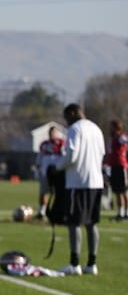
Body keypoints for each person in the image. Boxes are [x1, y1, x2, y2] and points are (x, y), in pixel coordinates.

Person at [57, 103, 105, 276]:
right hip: (96, 181)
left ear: (71, 113)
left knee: (74, 222)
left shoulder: (75, 129)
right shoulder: (96, 129)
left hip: (78, 182)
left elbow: (71, 154)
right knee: (92, 223)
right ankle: (92, 263)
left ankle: (74, 263)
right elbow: (102, 153)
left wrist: (58, 167)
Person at [36, 124, 65, 221]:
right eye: (50, 132)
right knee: (44, 191)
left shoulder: (61, 143)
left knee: (58, 191)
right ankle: (42, 211)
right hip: (45, 171)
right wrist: (38, 166)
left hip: (57, 171)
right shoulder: (44, 144)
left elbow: (64, 156)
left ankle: (58, 210)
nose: (52, 134)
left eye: (53, 132)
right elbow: (40, 156)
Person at [105, 119, 127, 222]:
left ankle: (124, 213)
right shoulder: (112, 138)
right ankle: (121, 213)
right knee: (118, 191)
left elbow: (125, 141)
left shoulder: (119, 137)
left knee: (123, 191)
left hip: (120, 166)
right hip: (114, 166)